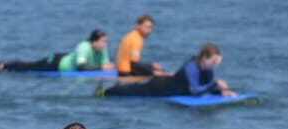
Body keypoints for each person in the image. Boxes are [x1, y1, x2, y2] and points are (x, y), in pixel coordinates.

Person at [100, 42, 236, 97]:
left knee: (133, 88)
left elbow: (206, 87)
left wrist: (221, 92)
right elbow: (195, 90)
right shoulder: (191, 67)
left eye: (217, 62)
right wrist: (215, 84)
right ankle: (105, 90)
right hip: (159, 87)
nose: (214, 65)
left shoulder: (208, 69)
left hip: (170, 88)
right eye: (213, 61)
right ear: (204, 57)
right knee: (130, 92)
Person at [0, 29, 114, 72]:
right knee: (30, 66)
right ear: (94, 41)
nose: (105, 44)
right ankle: (5, 65)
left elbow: (105, 65)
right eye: (103, 41)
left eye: (106, 41)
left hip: (66, 57)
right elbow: (81, 67)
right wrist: (102, 68)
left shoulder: (103, 49)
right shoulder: (84, 46)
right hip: (56, 63)